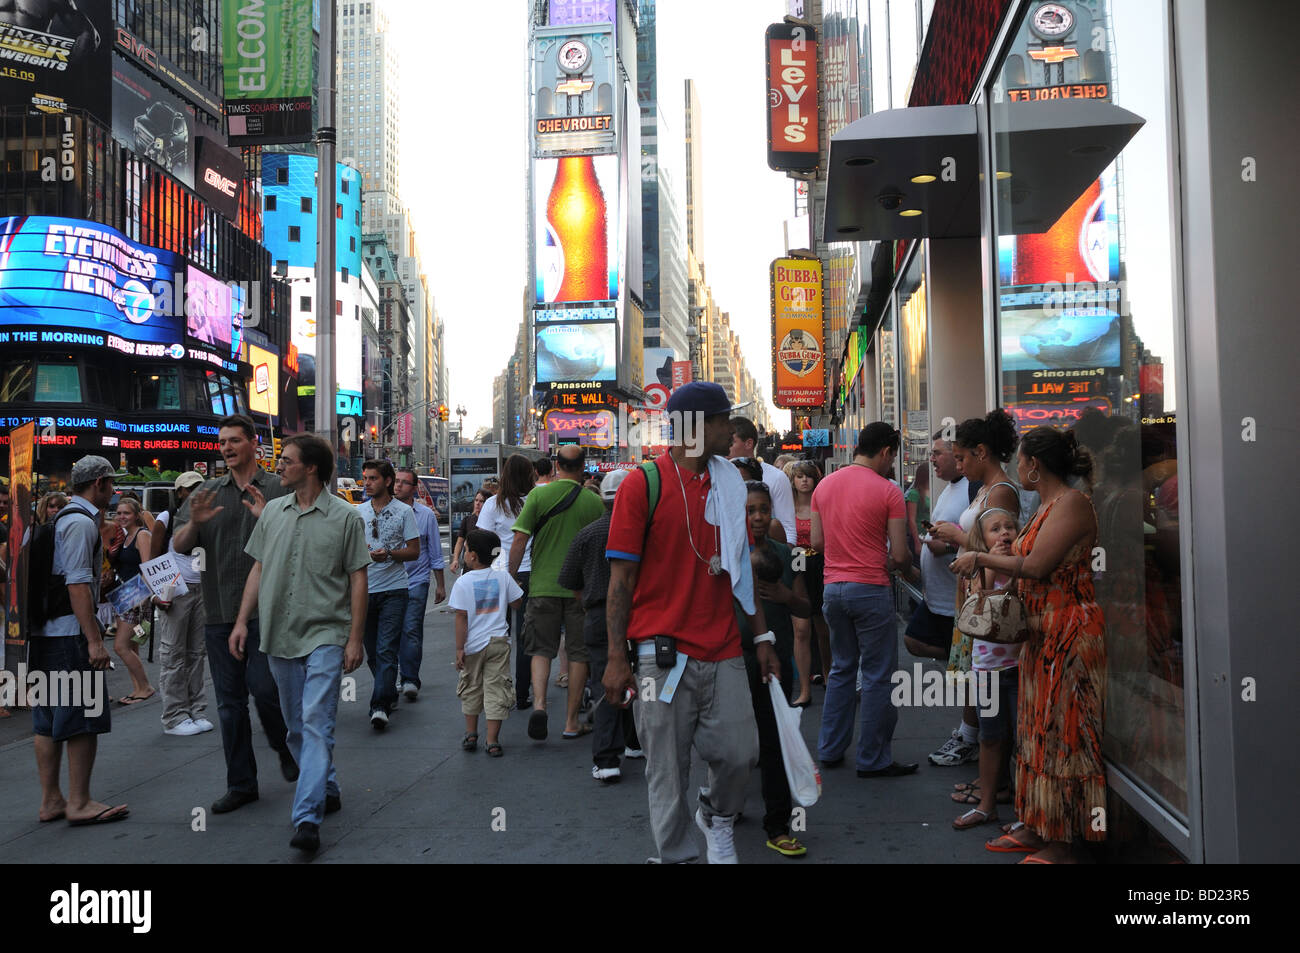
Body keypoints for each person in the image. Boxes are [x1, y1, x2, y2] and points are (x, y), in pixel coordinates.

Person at [603, 381, 780, 864]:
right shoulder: (643, 485)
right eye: (725, 420)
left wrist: (761, 634)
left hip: (723, 649)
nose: (733, 430)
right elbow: (621, 580)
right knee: (667, 772)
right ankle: (676, 855)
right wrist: (616, 657)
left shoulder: (730, 485)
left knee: (741, 755)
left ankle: (716, 816)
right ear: (699, 428)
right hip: (659, 656)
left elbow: (740, 569)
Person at [952, 427, 1105, 863]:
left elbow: (1035, 566)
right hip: (1041, 636)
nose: (1017, 468)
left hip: (1071, 633)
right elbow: (1016, 553)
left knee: (1066, 736)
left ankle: (1067, 841)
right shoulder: (1048, 506)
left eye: (1020, 460)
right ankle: (1041, 824)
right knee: (1038, 734)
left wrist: (980, 556)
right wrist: (986, 549)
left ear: (1034, 464)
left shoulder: (1072, 504)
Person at [234, 435, 371, 851]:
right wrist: (242, 621)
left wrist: (354, 639)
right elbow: (258, 568)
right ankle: (326, 787)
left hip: (326, 634)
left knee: (316, 724)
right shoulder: (273, 512)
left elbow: (358, 578)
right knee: (296, 727)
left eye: (287, 460)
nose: (279, 466)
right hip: (279, 633)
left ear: (310, 467)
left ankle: (306, 817)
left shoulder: (346, 518)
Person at [172, 414, 296, 814]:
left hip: (270, 611)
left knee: (265, 690)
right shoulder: (206, 492)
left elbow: (298, 542)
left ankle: (285, 747)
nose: (225, 448)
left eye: (234, 441)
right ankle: (241, 783)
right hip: (219, 612)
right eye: (222, 441)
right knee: (229, 704)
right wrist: (195, 522)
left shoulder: (279, 488)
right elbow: (179, 545)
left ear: (253, 444)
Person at [29, 455, 129, 827]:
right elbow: (76, 585)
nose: (114, 490)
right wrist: (94, 641)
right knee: (83, 719)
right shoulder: (80, 525)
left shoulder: (56, 519)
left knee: (46, 719)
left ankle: (52, 799)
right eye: (111, 483)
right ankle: (80, 801)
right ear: (100, 482)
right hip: (70, 635)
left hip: (43, 634)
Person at [811, 422, 913, 777]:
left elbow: (817, 543)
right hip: (870, 588)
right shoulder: (889, 491)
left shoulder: (824, 485)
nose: (892, 464)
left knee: (841, 669)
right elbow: (900, 555)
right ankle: (873, 758)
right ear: (885, 451)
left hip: (832, 588)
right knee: (877, 675)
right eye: (893, 456)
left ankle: (829, 748)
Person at [927, 410, 1022, 768]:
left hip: (988, 599)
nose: (959, 464)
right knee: (974, 676)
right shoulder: (985, 488)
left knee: (985, 683)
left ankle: (986, 761)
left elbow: (1003, 547)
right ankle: (980, 754)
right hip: (974, 596)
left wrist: (957, 536)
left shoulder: (1000, 492)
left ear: (982, 452)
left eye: (963, 457)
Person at [510, 444, 604, 741]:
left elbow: (519, 542)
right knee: (578, 654)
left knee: (540, 649)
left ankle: (539, 705)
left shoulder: (538, 495)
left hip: (542, 586)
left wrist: (511, 581)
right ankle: (571, 721)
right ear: (583, 467)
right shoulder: (594, 502)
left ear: (555, 465)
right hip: (580, 591)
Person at [739, 480, 811, 857]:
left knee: (774, 743)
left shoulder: (789, 554)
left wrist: (786, 596)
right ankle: (723, 807)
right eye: (749, 510)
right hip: (733, 661)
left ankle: (778, 824)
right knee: (732, 746)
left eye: (763, 509)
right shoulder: (724, 554)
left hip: (776, 665)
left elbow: (805, 608)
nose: (757, 517)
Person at [557, 466, 641, 782]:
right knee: (641, 677)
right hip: (638, 616)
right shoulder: (641, 532)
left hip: (596, 616)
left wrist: (591, 601)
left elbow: (570, 581)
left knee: (605, 684)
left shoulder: (586, 534)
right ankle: (634, 742)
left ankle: (607, 759)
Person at [950, 507, 1020, 831]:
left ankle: (1025, 812)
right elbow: (980, 601)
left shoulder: (1021, 565)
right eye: (996, 529)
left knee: (1021, 739)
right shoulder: (979, 569)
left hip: (1019, 665)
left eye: (1010, 527)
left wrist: (1013, 565)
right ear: (982, 540)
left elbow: (1020, 598)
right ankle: (987, 805)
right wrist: (989, 561)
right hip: (988, 669)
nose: (1004, 533)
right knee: (990, 738)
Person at [357, 460, 419, 730]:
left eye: (372, 478)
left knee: (385, 649)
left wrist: (391, 554)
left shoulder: (404, 512)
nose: (367, 483)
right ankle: (388, 690)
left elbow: (414, 551)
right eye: (365, 478)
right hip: (363, 590)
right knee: (372, 652)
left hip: (395, 589)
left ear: (387, 481)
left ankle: (379, 705)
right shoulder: (357, 512)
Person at [450, 528, 523, 758]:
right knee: (496, 688)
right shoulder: (502, 577)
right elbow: (518, 603)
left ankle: (471, 733)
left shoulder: (463, 582)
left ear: (471, 555)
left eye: (466, 549)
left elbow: (461, 617)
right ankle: (492, 741)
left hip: (472, 644)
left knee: (471, 687)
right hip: (498, 642)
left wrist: (460, 648)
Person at [149, 471, 212, 736]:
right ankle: (174, 715)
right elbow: (152, 559)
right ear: (179, 493)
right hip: (175, 592)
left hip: (201, 590)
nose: (194, 493)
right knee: (174, 654)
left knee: (197, 653)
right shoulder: (165, 519)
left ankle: (195, 708)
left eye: (198, 488)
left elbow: (205, 558)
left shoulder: (207, 519)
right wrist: (157, 594)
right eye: (189, 489)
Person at [904, 435, 967, 662]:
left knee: (962, 678)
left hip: (954, 598)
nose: (932, 459)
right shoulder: (949, 488)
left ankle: (962, 659)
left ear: (957, 454)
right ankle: (960, 658)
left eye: (937, 453)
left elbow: (985, 540)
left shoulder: (973, 489)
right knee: (913, 640)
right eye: (931, 453)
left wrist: (949, 547)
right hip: (937, 597)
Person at [478, 456, 535, 710]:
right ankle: (523, 693)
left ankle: (500, 690)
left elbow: (481, 539)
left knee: (499, 635)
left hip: (498, 574)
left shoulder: (493, 504)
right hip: (530, 573)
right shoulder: (535, 500)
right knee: (525, 636)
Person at [393, 467, 447, 701]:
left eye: (404, 483)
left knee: (411, 629)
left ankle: (409, 678)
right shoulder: (384, 511)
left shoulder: (425, 515)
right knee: (390, 632)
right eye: (396, 482)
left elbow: (435, 552)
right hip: (389, 582)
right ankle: (393, 676)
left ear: (414, 488)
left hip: (417, 580)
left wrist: (441, 585)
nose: (398, 486)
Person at [788, 460, 829, 704]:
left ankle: (828, 675)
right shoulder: (786, 506)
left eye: (808, 476)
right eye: (799, 476)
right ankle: (804, 688)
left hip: (821, 563)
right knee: (801, 629)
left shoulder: (822, 504)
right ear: (792, 481)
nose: (804, 480)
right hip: (796, 561)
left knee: (823, 627)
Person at [107, 497, 155, 705]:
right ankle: (137, 688)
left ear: (136, 515)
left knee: (121, 646)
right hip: (122, 595)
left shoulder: (142, 535)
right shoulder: (126, 536)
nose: (121, 517)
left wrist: (140, 599)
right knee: (132, 646)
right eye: (118, 513)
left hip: (134, 598)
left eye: (126, 513)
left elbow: (148, 568)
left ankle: (145, 687)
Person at [728, 416, 795, 541]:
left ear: (748, 443)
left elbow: (788, 529)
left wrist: (784, 556)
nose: (726, 446)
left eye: (731, 442)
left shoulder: (776, 477)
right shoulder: (719, 476)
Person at [450, 489, 491, 574]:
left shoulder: (490, 520)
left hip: (486, 566)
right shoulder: (467, 520)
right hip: (469, 566)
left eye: (481, 501)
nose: (477, 503)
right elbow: (460, 541)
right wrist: (455, 559)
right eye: (476, 500)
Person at [905, 461, 930, 559]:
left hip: (929, 535)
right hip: (919, 537)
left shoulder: (931, 490)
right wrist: (916, 542)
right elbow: (911, 520)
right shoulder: (914, 493)